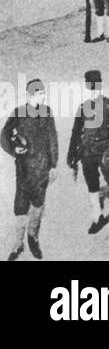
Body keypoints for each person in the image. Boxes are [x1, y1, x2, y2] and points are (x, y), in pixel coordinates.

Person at [67, 69, 109, 235]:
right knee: (93, 185)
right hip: (88, 151)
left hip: (104, 150)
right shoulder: (93, 106)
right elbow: (76, 132)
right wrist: (71, 155)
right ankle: (100, 217)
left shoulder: (108, 106)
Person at [3, 79, 57, 261]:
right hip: (23, 169)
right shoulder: (19, 113)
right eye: (40, 94)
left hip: (41, 169)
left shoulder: (47, 113)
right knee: (20, 207)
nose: (43, 97)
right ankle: (18, 244)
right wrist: (13, 149)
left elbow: (52, 139)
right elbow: (3, 135)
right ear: (31, 95)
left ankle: (33, 238)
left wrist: (54, 165)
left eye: (44, 94)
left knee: (38, 205)